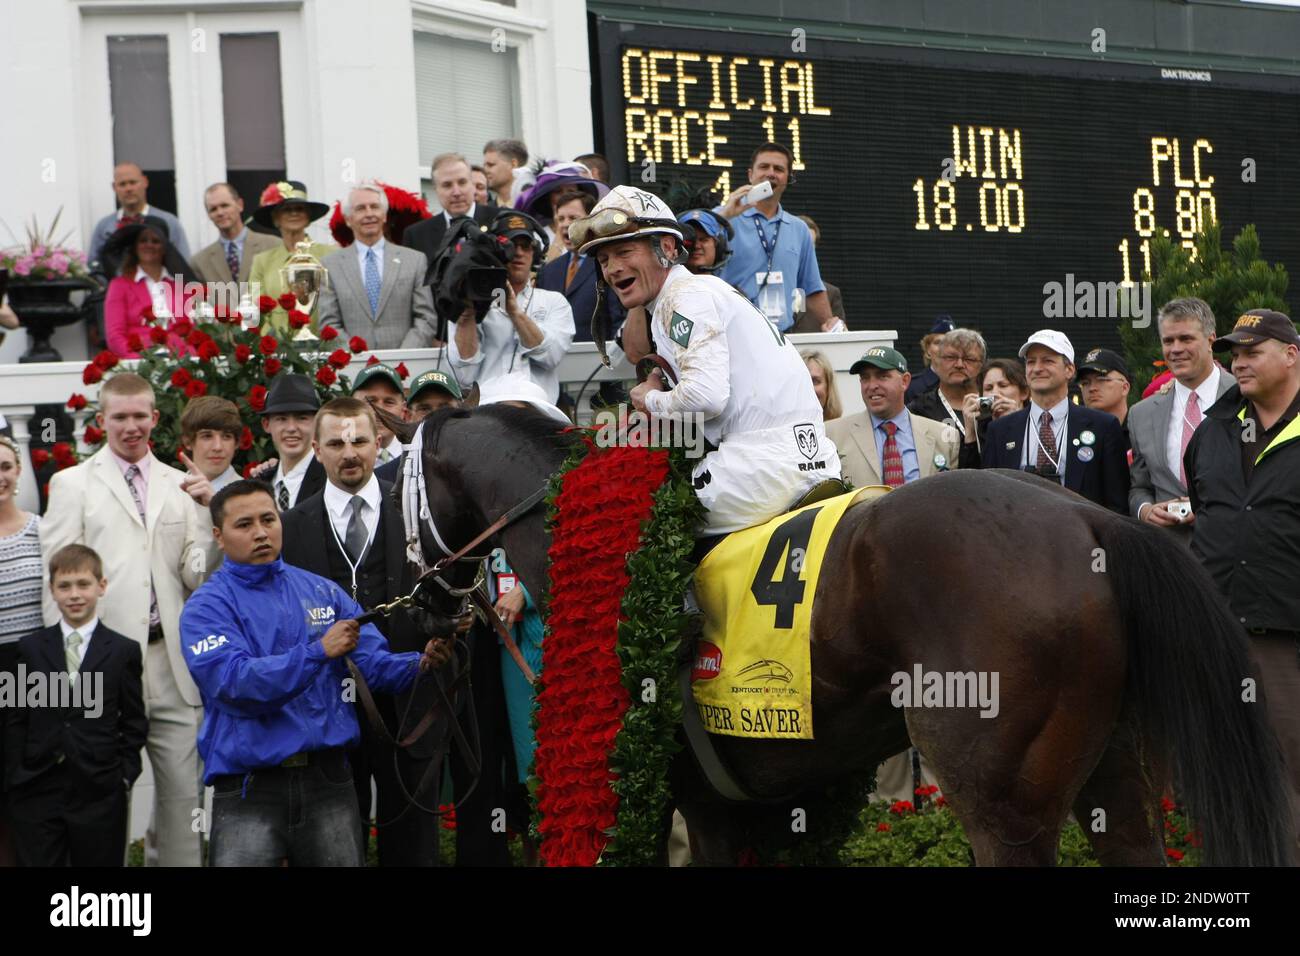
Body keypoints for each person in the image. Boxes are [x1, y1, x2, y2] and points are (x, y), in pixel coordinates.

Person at [180, 479, 449, 866]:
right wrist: (318, 652)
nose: (260, 532)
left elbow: (374, 666)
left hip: (330, 781)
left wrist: (422, 662)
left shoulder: (323, 591)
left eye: (268, 519)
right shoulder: (206, 607)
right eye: (244, 525)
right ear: (219, 536)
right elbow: (234, 682)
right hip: (249, 787)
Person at [573, 185, 839, 537]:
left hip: (759, 471)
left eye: (624, 251)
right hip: (818, 460)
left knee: (628, 523)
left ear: (667, 248)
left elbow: (706, 397)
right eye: (604, 260)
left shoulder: (683, 297)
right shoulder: (704, 290)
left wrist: (648, 399)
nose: (613, 269)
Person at [39, 373, 219, 866]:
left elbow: (195, 576)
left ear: (155, 419)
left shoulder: (181, 485)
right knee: (103, 804)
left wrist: (206, 513)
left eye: (141, 415)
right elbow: (56, 585)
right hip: (102, 668)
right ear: (101, 421)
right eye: (120, 416)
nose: (131, 426)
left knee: (184, 804)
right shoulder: (71, 483)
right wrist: (68, 676)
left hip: (172, 666)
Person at [277, 398, 446, 866]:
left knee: (413, 840)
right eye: (335, 443)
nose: (349, 453)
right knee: (333, 844)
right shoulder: (289, 527)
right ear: (316, 448)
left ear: (378, 443)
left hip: (411, 699)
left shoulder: (417, 510)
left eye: (359, 441)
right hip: (328, 704)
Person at [1184, 308, 1300, 862]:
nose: (1239, 362)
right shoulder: (1213, 430)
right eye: (1234, 352)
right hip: (1217, 632)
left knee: (1289, 774)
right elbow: (1206, 510)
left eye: (1253, 351)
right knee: (1223, 777)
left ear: (1291, 355)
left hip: (1286, 637)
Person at [6, 544, 148, 867]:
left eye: (83, 584)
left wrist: (124, 775)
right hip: (37, 786)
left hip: (99, 789)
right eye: (64, 586)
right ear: (52, 591)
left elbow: (134, 721)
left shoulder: (123, 651)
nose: (74, 595)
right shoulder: (29, 649)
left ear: (101, 586)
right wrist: (16, 773)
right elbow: (17, 718)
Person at [982, 331, 1129, 514]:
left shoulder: (1103, 426)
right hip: (1017, 535)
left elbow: (1117, 504)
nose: (1037, 368)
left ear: (1069, 370)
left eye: (1047, 361)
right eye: (1031, 362)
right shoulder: (1000, 430)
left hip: (1080, 537)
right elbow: (989, 498)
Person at [1129, 297, 1234, 532]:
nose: (1176, 349)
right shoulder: (1141, 414)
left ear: (1210, 340)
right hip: (1168, 553)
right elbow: (1139, 487)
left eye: (1186, 338)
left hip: (1233, 549)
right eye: (1168, 341)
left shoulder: (1245, 398)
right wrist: (1145, 510)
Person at [448, 211, 575, 402]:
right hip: (487, 410)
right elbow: (464, 376)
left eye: (526, 246)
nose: (518, 253)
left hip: (540, 411)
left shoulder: (554, 302)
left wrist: (514, 311)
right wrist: (467, 315)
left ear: (536, 253)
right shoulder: (472, 299)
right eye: (509, 246)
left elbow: (551, 357)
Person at [715, 142, 834, 333]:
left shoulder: (799, 230)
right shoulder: (722, 219)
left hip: (780, 336)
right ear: (750, 175)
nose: (771, 173)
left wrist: (831, 324)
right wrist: (725, 215)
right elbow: (688, 251)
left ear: (788, 179)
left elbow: (812, 288)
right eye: (764, 167)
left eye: (778, 169)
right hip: (732, 332)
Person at [318, 183, 438, 349]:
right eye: (360, 208)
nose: (369, 214)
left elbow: (426, 318)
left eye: (375, 207)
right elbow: (329, 324)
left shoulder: (415, 260)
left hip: (405, 365)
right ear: (348, 219)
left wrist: (402, 357)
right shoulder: (330, 265)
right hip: (354, 367)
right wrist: (357, 357)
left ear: (384, 215)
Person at [826, 347, 959, 488]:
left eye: (882, 376)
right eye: (865, 378)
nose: (872, 386)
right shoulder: (832, 435)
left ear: (905, 381)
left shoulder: (944, 436)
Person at [0, 434, 42, 865]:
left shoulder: (41, 529)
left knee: (29, 786)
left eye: (6, 466)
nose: (0, 477)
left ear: (17, 471)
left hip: (32, 676)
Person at [246, 181, 335, 336]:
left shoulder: (330, 254)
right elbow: (254, 306)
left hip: (321, 346)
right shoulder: (261, 261)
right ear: (276, 218)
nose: (294, 213)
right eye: (287, 209)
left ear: (308, 218)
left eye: (299, 209)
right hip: (276, 349)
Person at [102, 216, 199, 357]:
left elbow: (192, 331)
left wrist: (185, 357)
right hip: (139, 365)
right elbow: (115, 337)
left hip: (179, 364)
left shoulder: (180, 286)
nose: (149, 245)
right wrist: (143, 361)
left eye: (155, 241)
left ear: (165, 248)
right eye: (143, 240)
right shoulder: (119, 286)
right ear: (135, 247)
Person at [537, 189, 624, 343]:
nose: (565, 224)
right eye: (560, 218)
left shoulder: (606, 264)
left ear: (590, 221)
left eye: (573, 218)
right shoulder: (548, 271)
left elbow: (618, 321)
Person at [401, 154, 497, 279]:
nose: (456, 192)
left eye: (462, 182)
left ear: (472, 185)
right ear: (436, 189)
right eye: (447, 185)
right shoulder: (416, 235)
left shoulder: (500, 220)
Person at [88, 162, 192, 269]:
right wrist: (107, 285)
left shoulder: (168, 221)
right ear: (114, 187)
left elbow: (183, 264)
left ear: (145, 182)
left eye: (133, 182)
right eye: (122, 184)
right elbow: (93, 265)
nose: (128, 189)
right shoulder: (104, 226)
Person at [374, 369, 463, 485]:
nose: (435, 417)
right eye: (425, 409)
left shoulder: (482, 470)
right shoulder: (383, 479)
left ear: (462, 412)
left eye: (445, 407)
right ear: (408, 416)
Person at [257, 374, 327, 511]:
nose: (291, 428)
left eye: (302, 418)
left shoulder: (331, 478)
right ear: (266, 425)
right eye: (281, 419)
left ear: (317, 423)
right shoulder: (260, 482)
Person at [908, 327, 987, 442]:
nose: (959, 364)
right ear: (937, 362)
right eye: (951, 357)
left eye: (969, 359)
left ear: (982, 365)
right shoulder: (918, 410)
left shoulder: (992, 406)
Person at [191, 182, 278, 286]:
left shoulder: (272, 246)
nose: (220, 213)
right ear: (209, 215)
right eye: (213, 209)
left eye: (225, 205)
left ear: (240, 205)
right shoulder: (200, 262)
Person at [957, 358, 1030, 468]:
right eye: (988, 388)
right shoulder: (982, 429)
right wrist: (970, 432)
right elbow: (970, 477)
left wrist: (1015, 422)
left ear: (1024, 393)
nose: (995, 393)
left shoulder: (1035, 422)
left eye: (1003, 385)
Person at [791, 214, 846, 332]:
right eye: (801, 244)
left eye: (810, 246)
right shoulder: (766, 287)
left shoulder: (831, 294)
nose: (805, 251)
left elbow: (840, 340)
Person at [179, 396, 242, 492]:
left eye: (226, 436)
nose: (218, 447)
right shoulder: (169, 490)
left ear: (236, 443)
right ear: (188, 442)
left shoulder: (250, 496)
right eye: (207, 436)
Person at [350, 363, 406, 466]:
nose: (379, 410)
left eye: (389, 402)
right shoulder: (334, 459)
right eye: (370, 401)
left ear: (403, 411)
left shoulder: (419, 459)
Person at [1077, 348, 1133, 449]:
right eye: (1085, 383)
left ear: (1124, 387)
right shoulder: (1076, 435)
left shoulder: (1141, 432)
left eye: (1101, 380)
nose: (1092, 388)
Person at [904, 316, 954, 404]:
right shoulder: (911, 387)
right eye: (938, 343)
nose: (944, 348)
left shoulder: (965, 383)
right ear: (927, 350)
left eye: (950, 343)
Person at [482, 138, 529, 207]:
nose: (485, 171)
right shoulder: (483, 212)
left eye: (491, 165)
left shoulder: (535, 210)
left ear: (513, 164)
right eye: (484, 166)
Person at [801, 350, 842, 422]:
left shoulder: (840, 430)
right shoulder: (780, 430)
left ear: (828, 387)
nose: (810, 389)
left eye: (815, 381)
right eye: (803, 382)